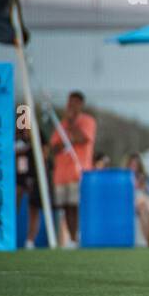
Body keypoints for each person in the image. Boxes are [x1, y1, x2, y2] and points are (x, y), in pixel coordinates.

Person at [46, 90, 97, 245]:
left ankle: (81, 236)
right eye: (69, 102)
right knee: (66, 207)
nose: (71, 106)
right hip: (62, 174)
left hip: (79, 172)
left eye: (74, 102)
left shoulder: (87, 121)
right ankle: (73, 239)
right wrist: (67, 131)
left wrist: (72, 123)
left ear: (81, 104)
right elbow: (53, 148)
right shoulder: (61, 124)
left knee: (77, 206)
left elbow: (82, 139)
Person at [15, 127, 41, 248]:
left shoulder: (36, 133)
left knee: (33, 208)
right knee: (14, 205)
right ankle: (8, 235)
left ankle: (30, 240)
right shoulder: (10, 133)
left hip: (32, 176)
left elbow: (44, 151)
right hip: (16, 177)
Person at [127, 153, 149, 246]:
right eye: (132, 164)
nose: (134, 167)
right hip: (132, 203)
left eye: (136, 164)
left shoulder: (145, 177)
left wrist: (145, 188)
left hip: (146, 203)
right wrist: (135, 187)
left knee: (144, 208)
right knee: (144, 204)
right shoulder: (125, 178)